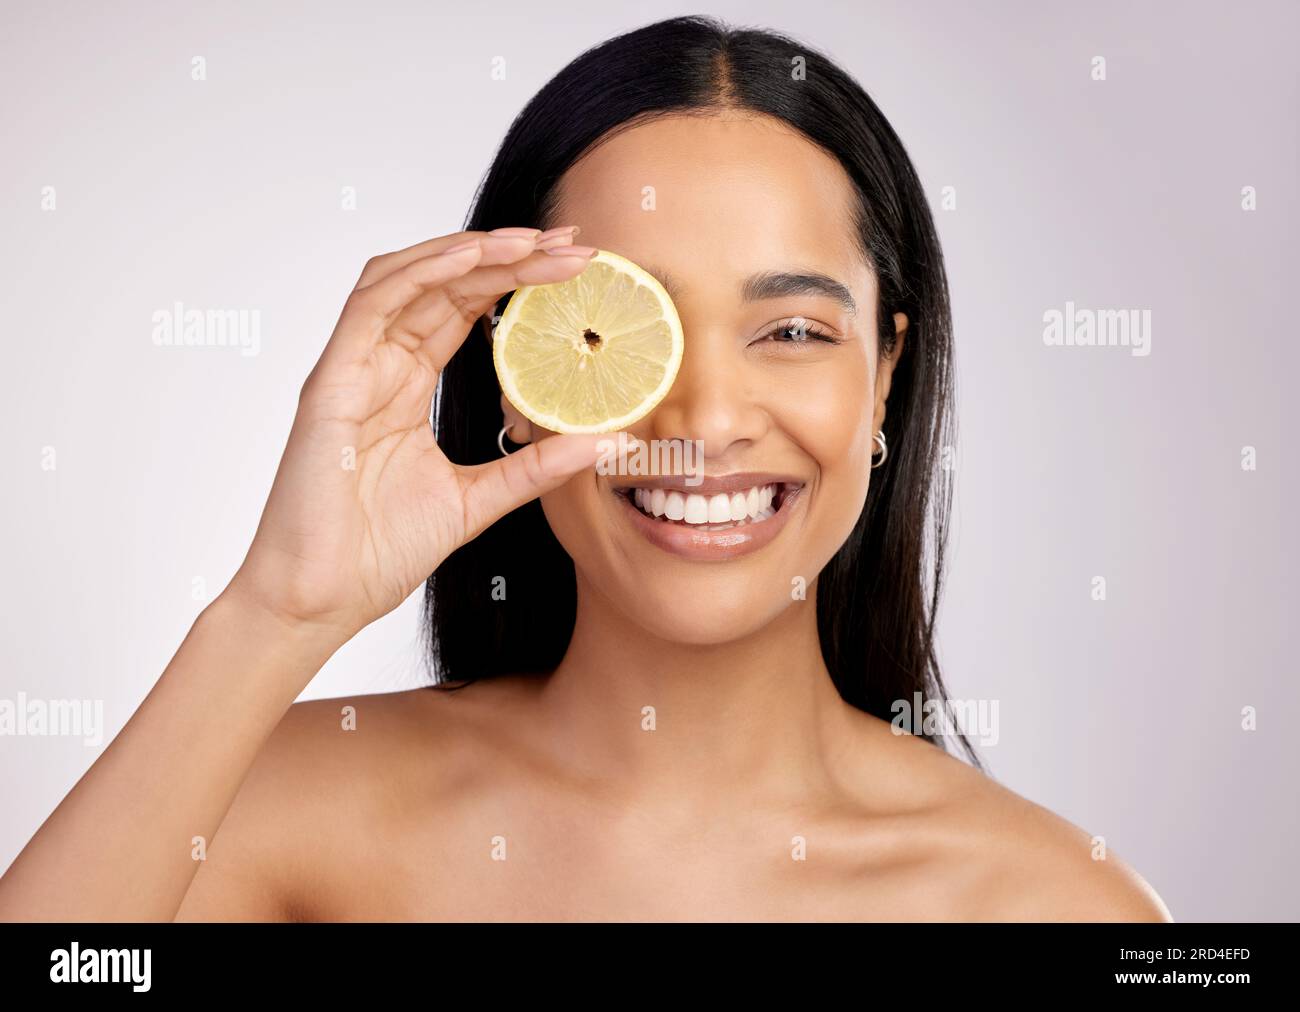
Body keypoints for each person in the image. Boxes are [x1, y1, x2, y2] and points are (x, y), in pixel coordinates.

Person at [0, 15, 1171, 922]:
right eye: (622, 329)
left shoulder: (1053, 903)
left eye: (794, 331)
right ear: (517, 370)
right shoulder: (283, 810)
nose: (706, 419)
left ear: (882, 378)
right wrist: (276, 610)